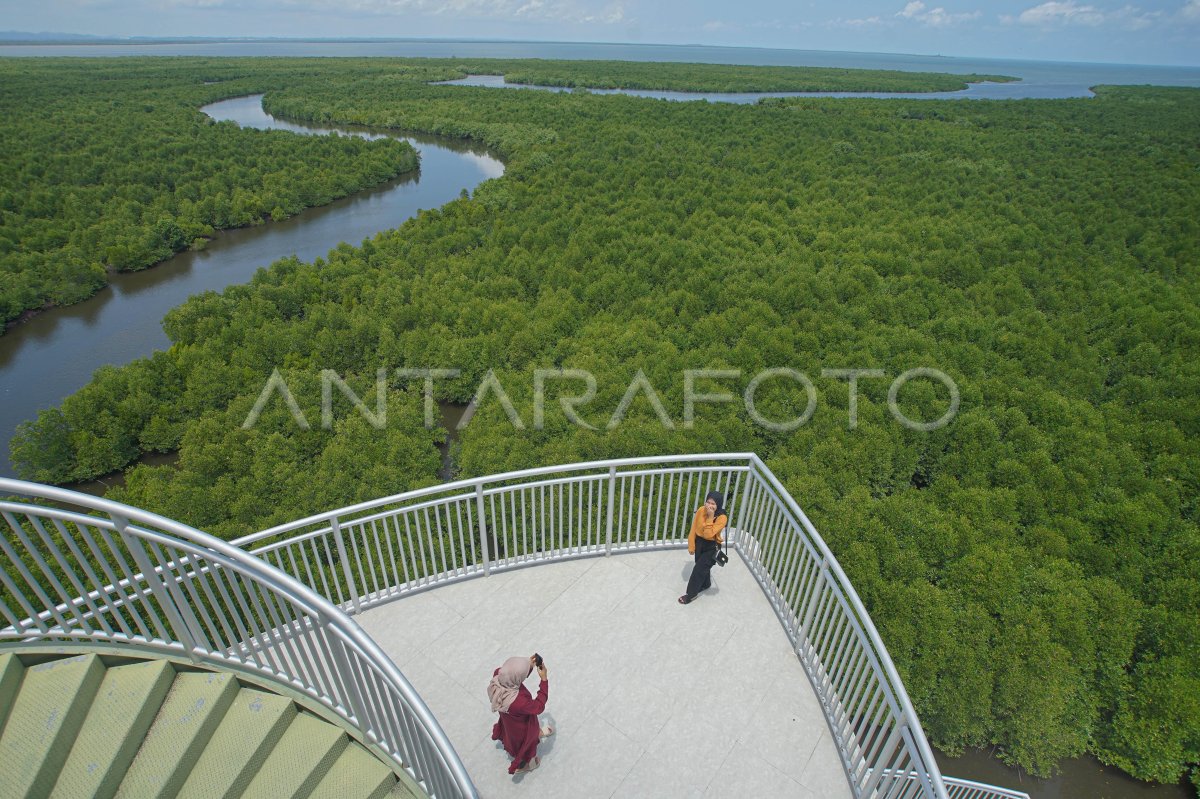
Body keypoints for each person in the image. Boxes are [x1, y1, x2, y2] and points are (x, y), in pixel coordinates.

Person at [488, 654, 554, 774]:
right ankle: (530, 764)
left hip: (510, 722)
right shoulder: (519, 702)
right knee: (528, 743)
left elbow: (514, 674)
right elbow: (538, 707)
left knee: (518, 735)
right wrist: (544, 680)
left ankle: (537, 733)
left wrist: (529, 665)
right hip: (523, 729)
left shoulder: (498, 674)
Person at [679, 490, 727, 604]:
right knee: (701, 566)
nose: (709, 506)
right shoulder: (701, 510)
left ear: (718, 505)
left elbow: (709, 534)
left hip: (712, 546)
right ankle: (706, 584)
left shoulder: (722, 518)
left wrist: (710, 517)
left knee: (698, 570)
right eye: (708, 502)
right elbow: (694, 528)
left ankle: (691, 594)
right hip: (700, 543)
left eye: (713, 504)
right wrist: (691, 544)